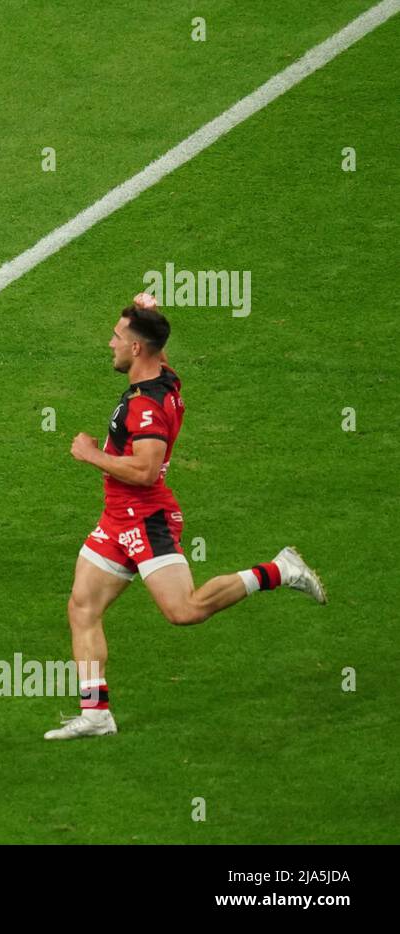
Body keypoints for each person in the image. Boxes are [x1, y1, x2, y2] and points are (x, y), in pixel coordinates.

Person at [47, 293, 326, 740]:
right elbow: (159, 352)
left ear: (137, 349)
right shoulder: (164, 377)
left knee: (185, 611)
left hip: (147, 520)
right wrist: (150, 313)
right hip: (117, 519)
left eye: (117, 337)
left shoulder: (147, 407)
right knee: (82, 606)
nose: (110, 343)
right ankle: (96, 713)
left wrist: (92, 455)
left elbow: (145, 470)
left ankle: (279, 570)